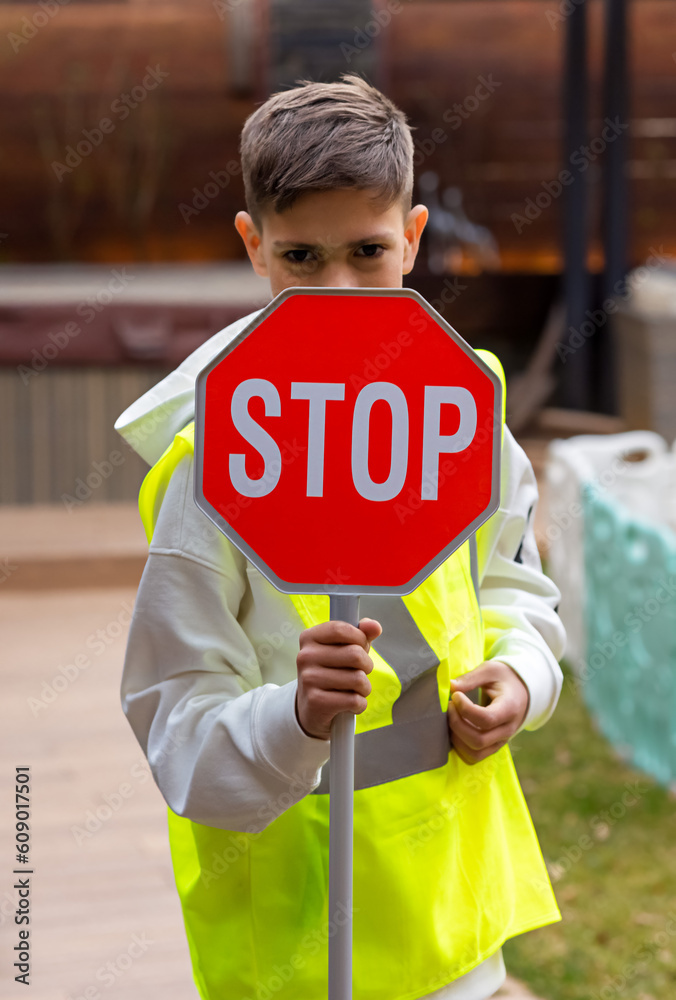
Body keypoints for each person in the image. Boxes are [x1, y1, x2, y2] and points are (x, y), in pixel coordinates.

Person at [115, 73, 565, 1000]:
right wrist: (294, 716)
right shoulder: (214, 467)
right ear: (253, 247)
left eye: (367, 250)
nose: (340, 289)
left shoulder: (462, 420)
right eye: (301, 257)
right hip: (293, 947)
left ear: (413, 236)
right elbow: (175, 717)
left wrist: (525, 676)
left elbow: (515, 590)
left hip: (455, 926)